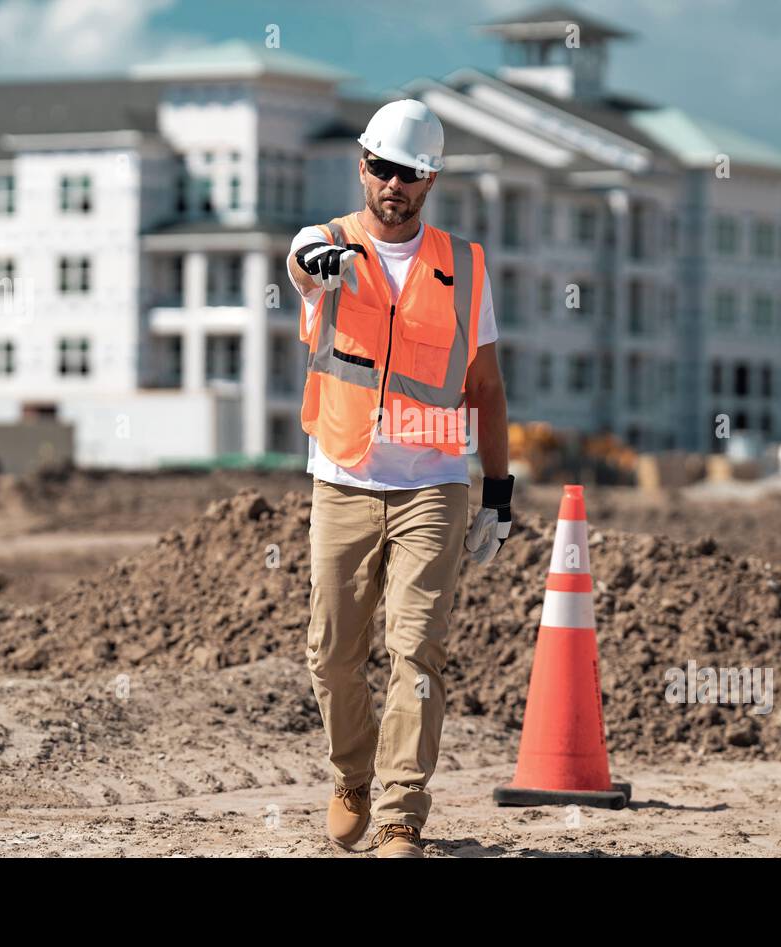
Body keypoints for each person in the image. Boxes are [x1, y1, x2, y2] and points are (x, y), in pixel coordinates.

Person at [287, 99, 513, 858]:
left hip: (433, 482)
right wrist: (309, 262)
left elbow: (484, 385)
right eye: (382, 167)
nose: (394, 183)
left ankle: (398, 815)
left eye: (410, 173)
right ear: (362, 167)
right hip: (345, 472)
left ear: (431, 179)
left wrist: (500, 491)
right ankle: (352, 773)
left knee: (417, 650)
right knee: (331, 651)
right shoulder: (331, 249)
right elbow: (299, 259)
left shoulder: (466, 265)